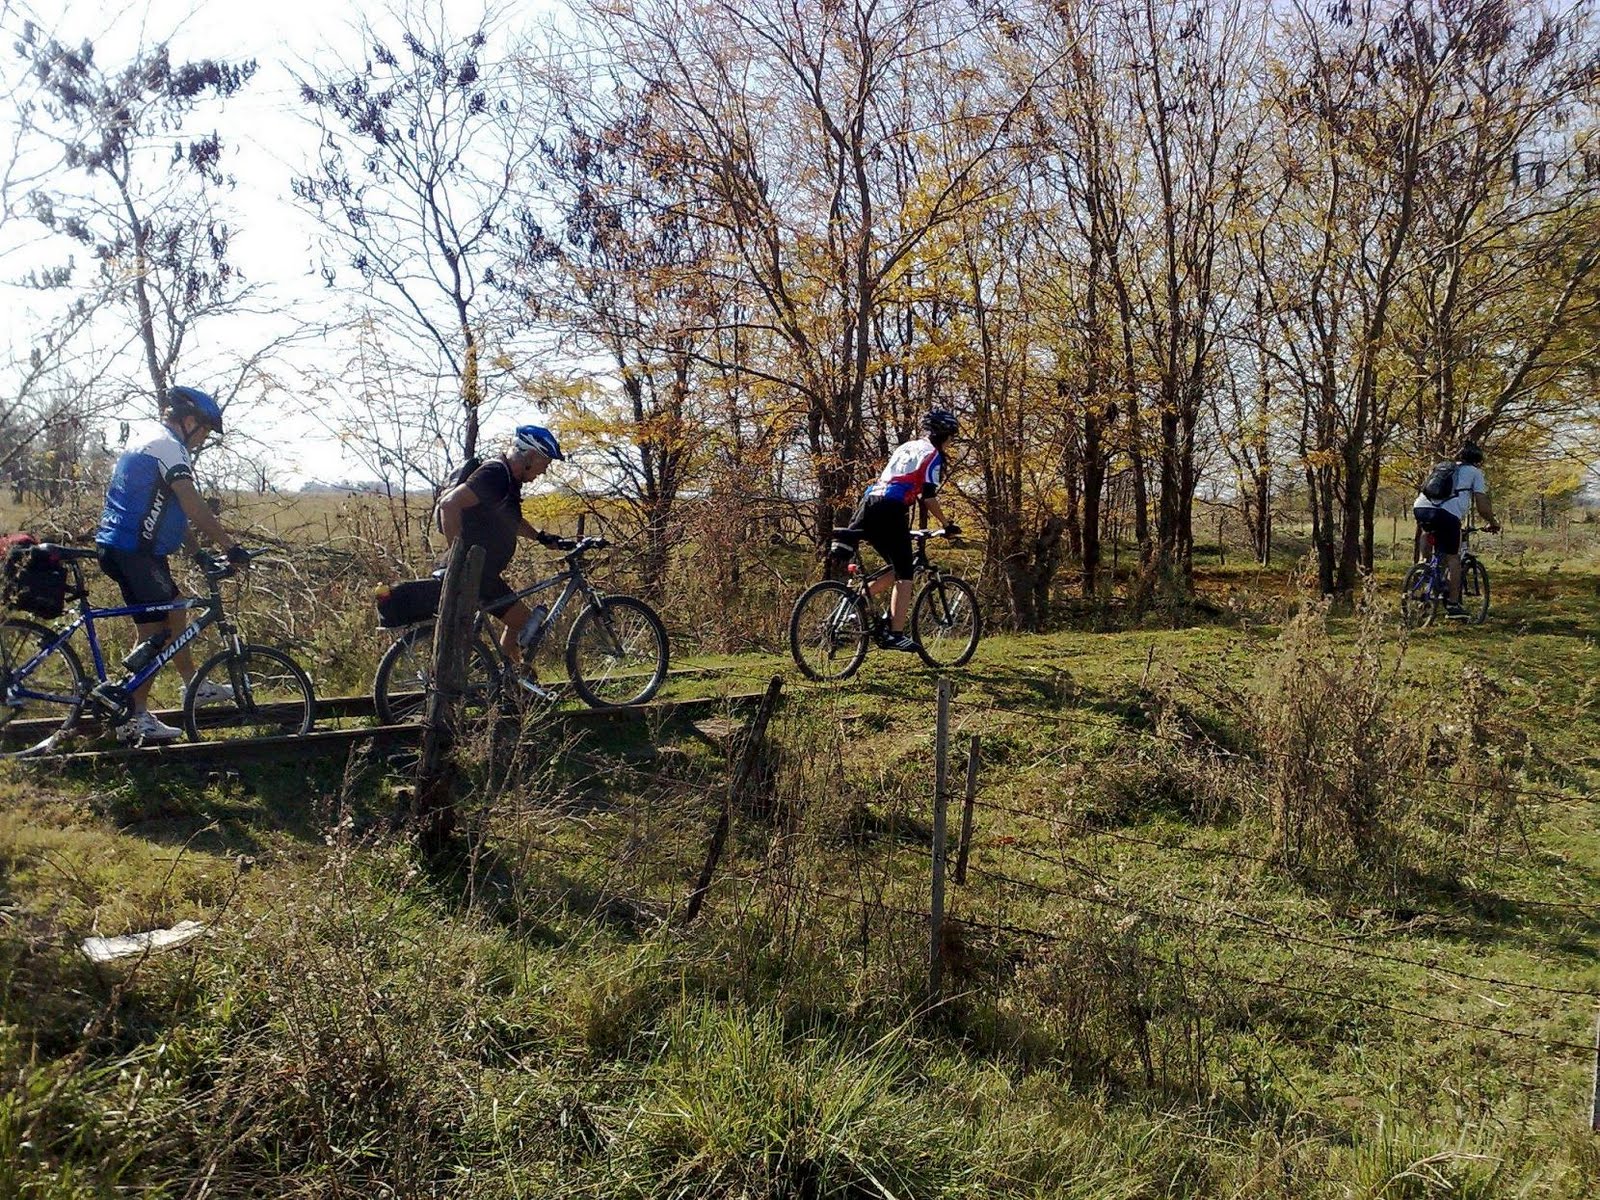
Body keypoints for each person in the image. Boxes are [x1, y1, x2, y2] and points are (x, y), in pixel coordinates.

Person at [95, 385, 250, 742]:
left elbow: (172, 511)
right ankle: (134, 717)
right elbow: (192, 503)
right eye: (206, 429)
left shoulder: (151, 439)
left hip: (129, 550)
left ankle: (193, 684)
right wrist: (231, 547)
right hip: (136, 553)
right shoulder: (169, 447)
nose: (204, 438)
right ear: (190, 420)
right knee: (158, 635)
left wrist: (197, 552)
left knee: (175, 609)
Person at [435, 424, 568, 695]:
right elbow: (449, 505)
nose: (544, 471)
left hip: (483, 572)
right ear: (529, 456)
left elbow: (510, 520)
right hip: (476, 573)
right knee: (524, 621)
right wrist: (460, 559)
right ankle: (512, 682)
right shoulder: (495, 474)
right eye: (544, 462)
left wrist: (542, 537)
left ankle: (511, 682)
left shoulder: (507, 480)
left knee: (517, 620)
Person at [849, 409, 962, 652]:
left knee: (898, 566)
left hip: (869, 504)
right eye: (951, 437)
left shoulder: (906, 446)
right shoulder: (933, 454)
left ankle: (856, 601)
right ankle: (895, 633)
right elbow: (928, 497)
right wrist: (945, 524)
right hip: (891, 507)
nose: (951, 442)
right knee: (906, 574)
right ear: (943, 435)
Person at [1413, 440, 1500, 619]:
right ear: (1478, 460)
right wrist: (1492, 521)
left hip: (1421, 508)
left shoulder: (1442, 467)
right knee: (1453, 557)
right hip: (1447, 515)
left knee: (1428, 530)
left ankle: (1423, 564)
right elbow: (1482, 505)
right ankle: (1453, 605)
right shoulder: (1475, 472)